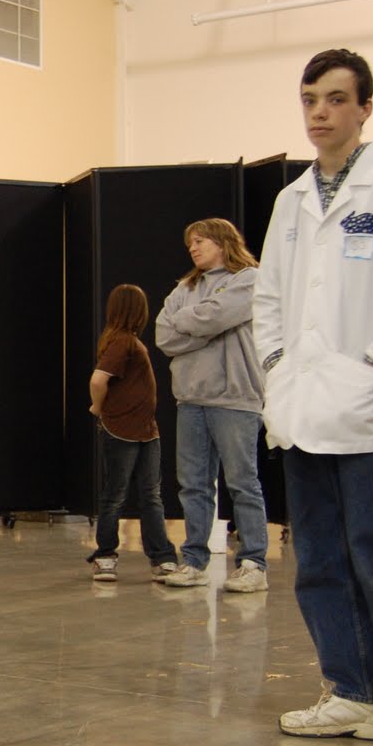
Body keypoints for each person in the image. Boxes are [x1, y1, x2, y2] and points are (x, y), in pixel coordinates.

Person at [254, 48, 373, 746]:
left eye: (334, 99)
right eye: (309, 100)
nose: (320, 113)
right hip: (300, 408)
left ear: (364, 107)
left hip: (365, 410)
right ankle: (352, 691)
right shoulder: (289, 200)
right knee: (319, 561)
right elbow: (269, 297)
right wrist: (274, 364)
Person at [154, 219, 267, 592]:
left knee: (242, 482)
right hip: (191, 398)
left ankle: (253, 563)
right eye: (190, 245)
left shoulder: (248, 279)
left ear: (222, 242)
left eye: (200, 241)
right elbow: (164, 335)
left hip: (235, 397)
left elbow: (215, 316)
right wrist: (203, 327)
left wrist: (197, 323)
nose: (194, 249)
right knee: (194, 485)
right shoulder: (185, 287)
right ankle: (194, 561)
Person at [86, 284, 181, 583]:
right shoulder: (122, 343)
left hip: (145, 431)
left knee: (151, 495)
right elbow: (98, 379)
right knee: (115, 495)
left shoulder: (128, 342)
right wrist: (97, 408)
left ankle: (162, 556)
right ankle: (105, 555)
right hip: (123, 431)